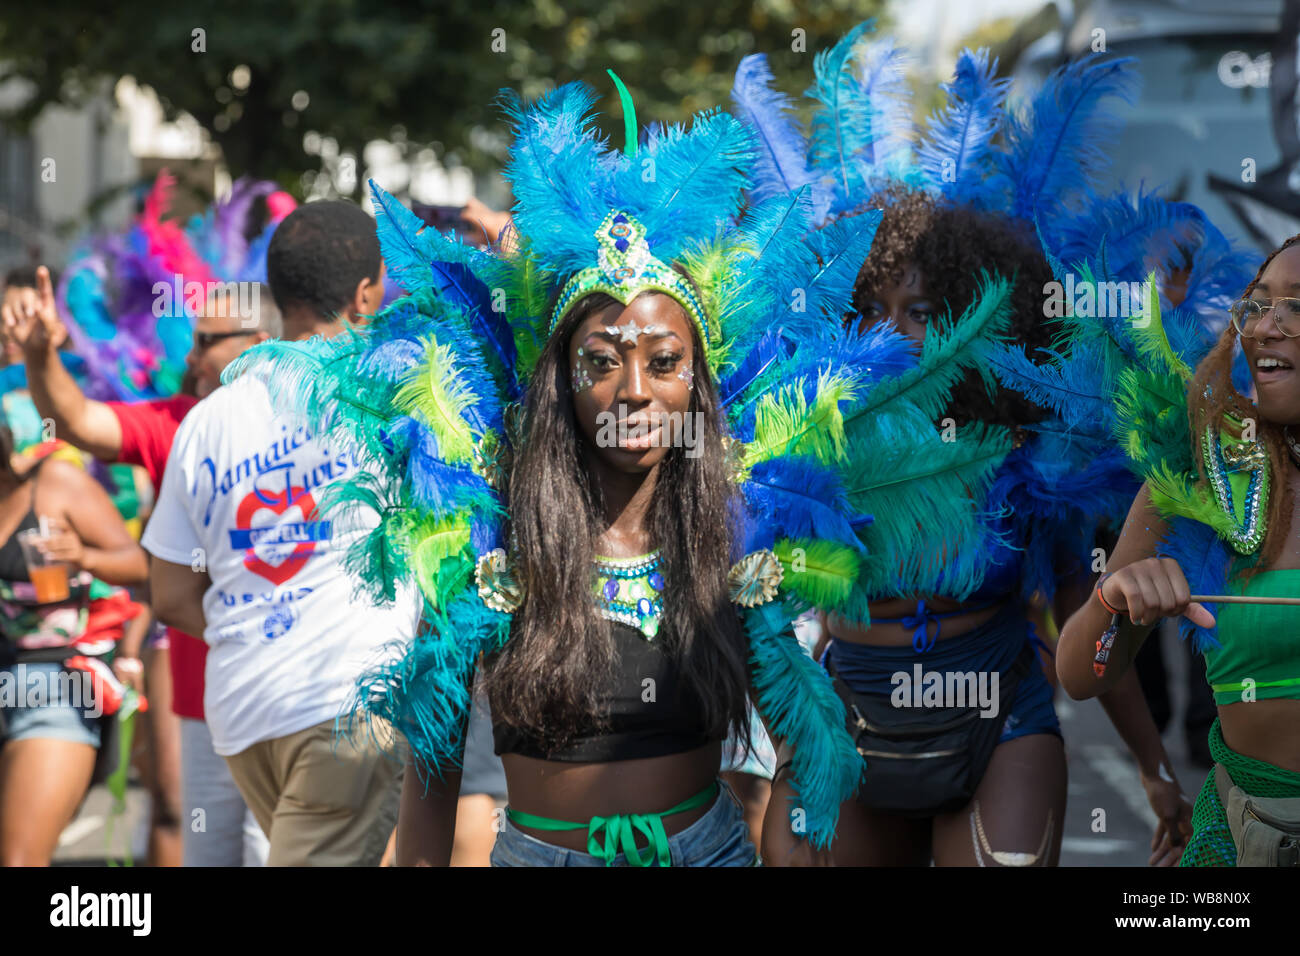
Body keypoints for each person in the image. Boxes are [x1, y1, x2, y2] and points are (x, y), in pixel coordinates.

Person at [230, 81, 881, 866]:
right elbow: (431, 774)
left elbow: (804, 744)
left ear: (696, 386)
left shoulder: (739, 539)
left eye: (665, 363)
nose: (634, 390)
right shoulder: (485, 539)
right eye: (601, 363)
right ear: (561, 384)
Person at [731, 26, 1218, 866]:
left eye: (919, 314)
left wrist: (1151, 765)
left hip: (1004, 723)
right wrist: (780, 758)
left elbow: (1083, 606)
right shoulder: (809, 453)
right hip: (854, 729)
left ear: (968, 318)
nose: (894, 337)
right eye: (869, 312)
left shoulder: (1016, 452)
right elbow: (754, 611)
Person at [143, 199, 413, 866]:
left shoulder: (207, 419)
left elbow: (172, 593)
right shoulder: (388, 395)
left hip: (243, 715)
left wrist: (263, 624)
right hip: (343, 709)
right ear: (365, 294)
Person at [9, 266, 280, 867]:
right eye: (196, 338)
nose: (195, 353)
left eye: (210, 340)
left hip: (287, 695)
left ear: (260, 344)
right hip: (201, 697)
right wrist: (40, 355)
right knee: (200, 845)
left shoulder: (318, 422)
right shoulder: (177, 423)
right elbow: (76, 419)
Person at [1058, 234, 1300, 867]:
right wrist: (1112, 602)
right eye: (1258, 305)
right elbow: (1082, 674)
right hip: (1248, 838)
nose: (1268, 327)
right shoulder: (1201, 474)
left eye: (1297, 307)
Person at [0, 411, 148, 865]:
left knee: (20, 859)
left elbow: (140, 566)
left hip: (57, 684)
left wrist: (81, 554)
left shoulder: (54, 481)